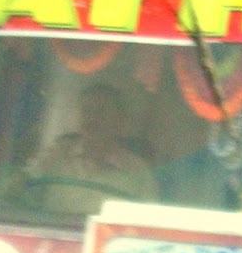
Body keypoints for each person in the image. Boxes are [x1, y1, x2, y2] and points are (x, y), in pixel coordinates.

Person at [19, 83, 158, 214]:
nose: (92, 118)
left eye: (101, 111)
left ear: (120, 120)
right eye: (86, 110)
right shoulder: (55, 156)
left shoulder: (138, 172)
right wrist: (44, 164)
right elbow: (12, 196)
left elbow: (149, 226)